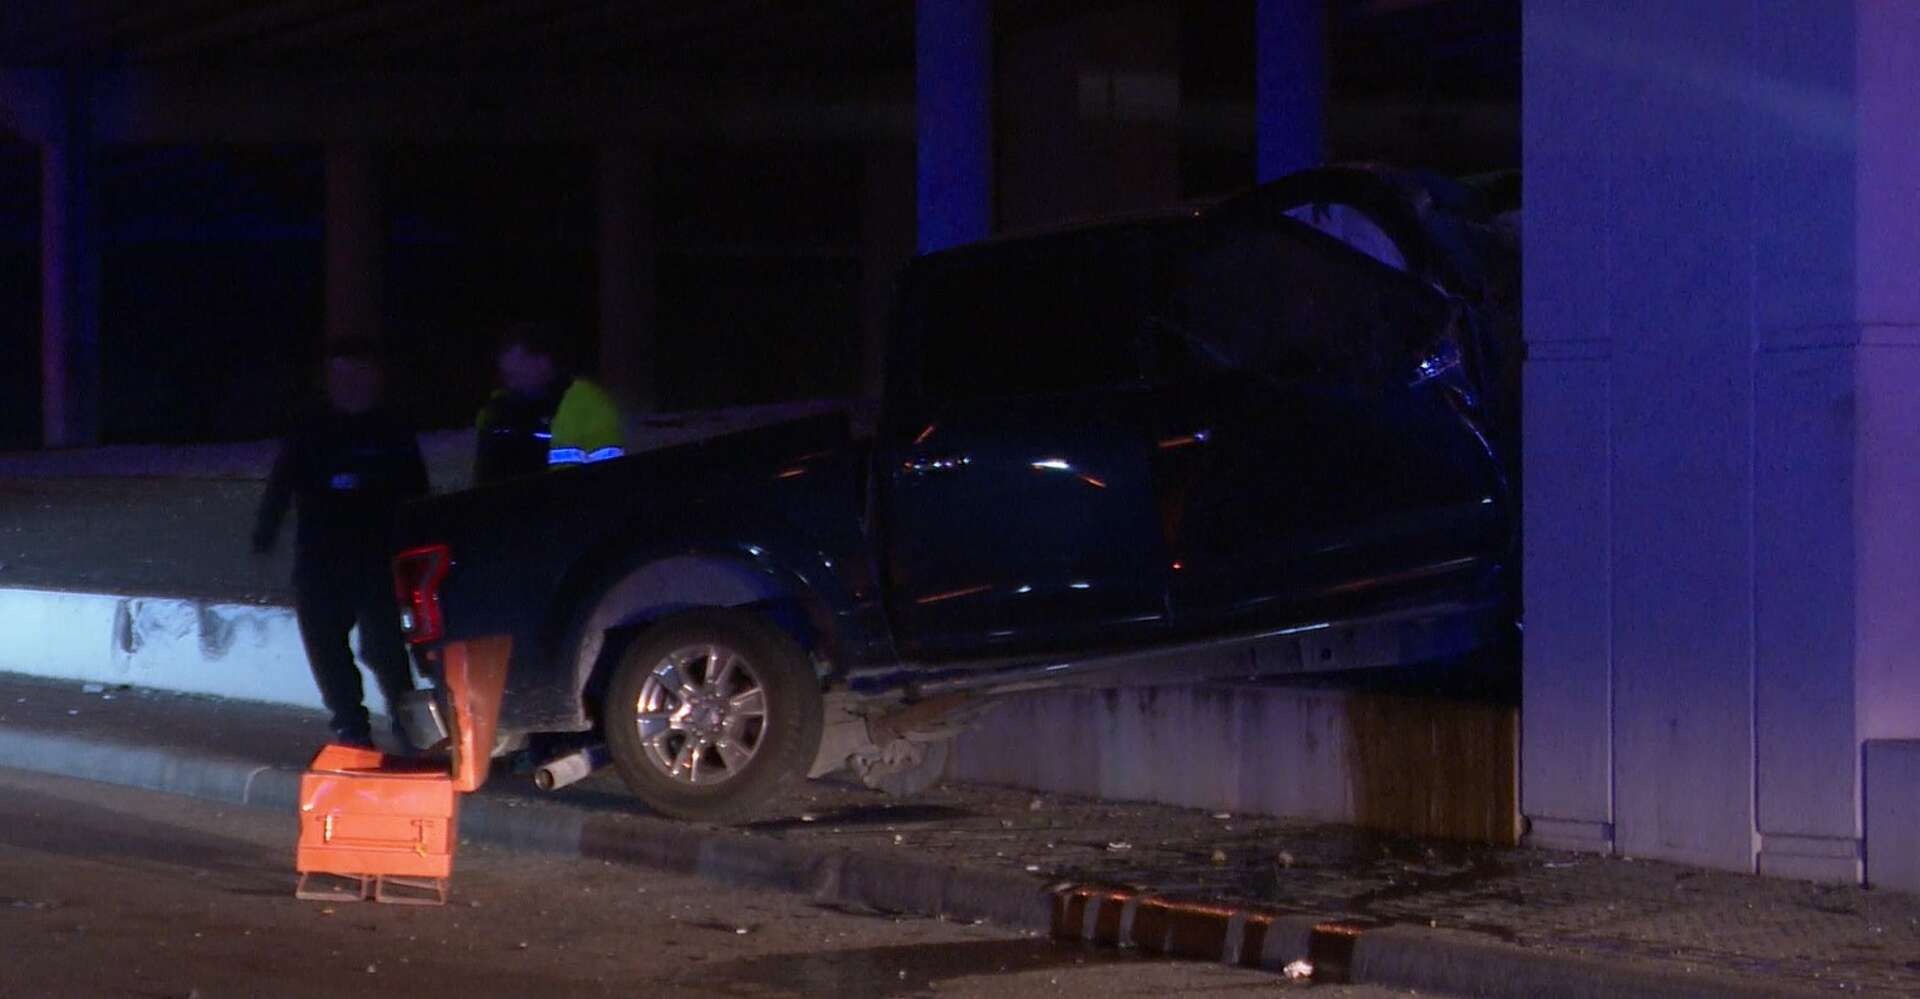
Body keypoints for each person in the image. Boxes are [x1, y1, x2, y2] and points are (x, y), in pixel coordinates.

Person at [253, 338, 428, 749]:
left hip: (377, 560)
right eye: (340, 376)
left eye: (358, 375)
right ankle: (351, 726)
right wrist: (265, 535)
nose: (350, 385)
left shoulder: (390, 431)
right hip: (320, 561)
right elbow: (280, 486)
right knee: (326, 646)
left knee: (384, 648)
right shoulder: (311, 430)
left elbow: (417, 492)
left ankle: (407, 724)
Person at [472, 321, 626, 486]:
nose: (511, 384)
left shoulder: (589, 407)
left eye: (518, 373)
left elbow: (610, 478)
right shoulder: (496, 409)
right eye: (507, 376)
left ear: (542, 363)